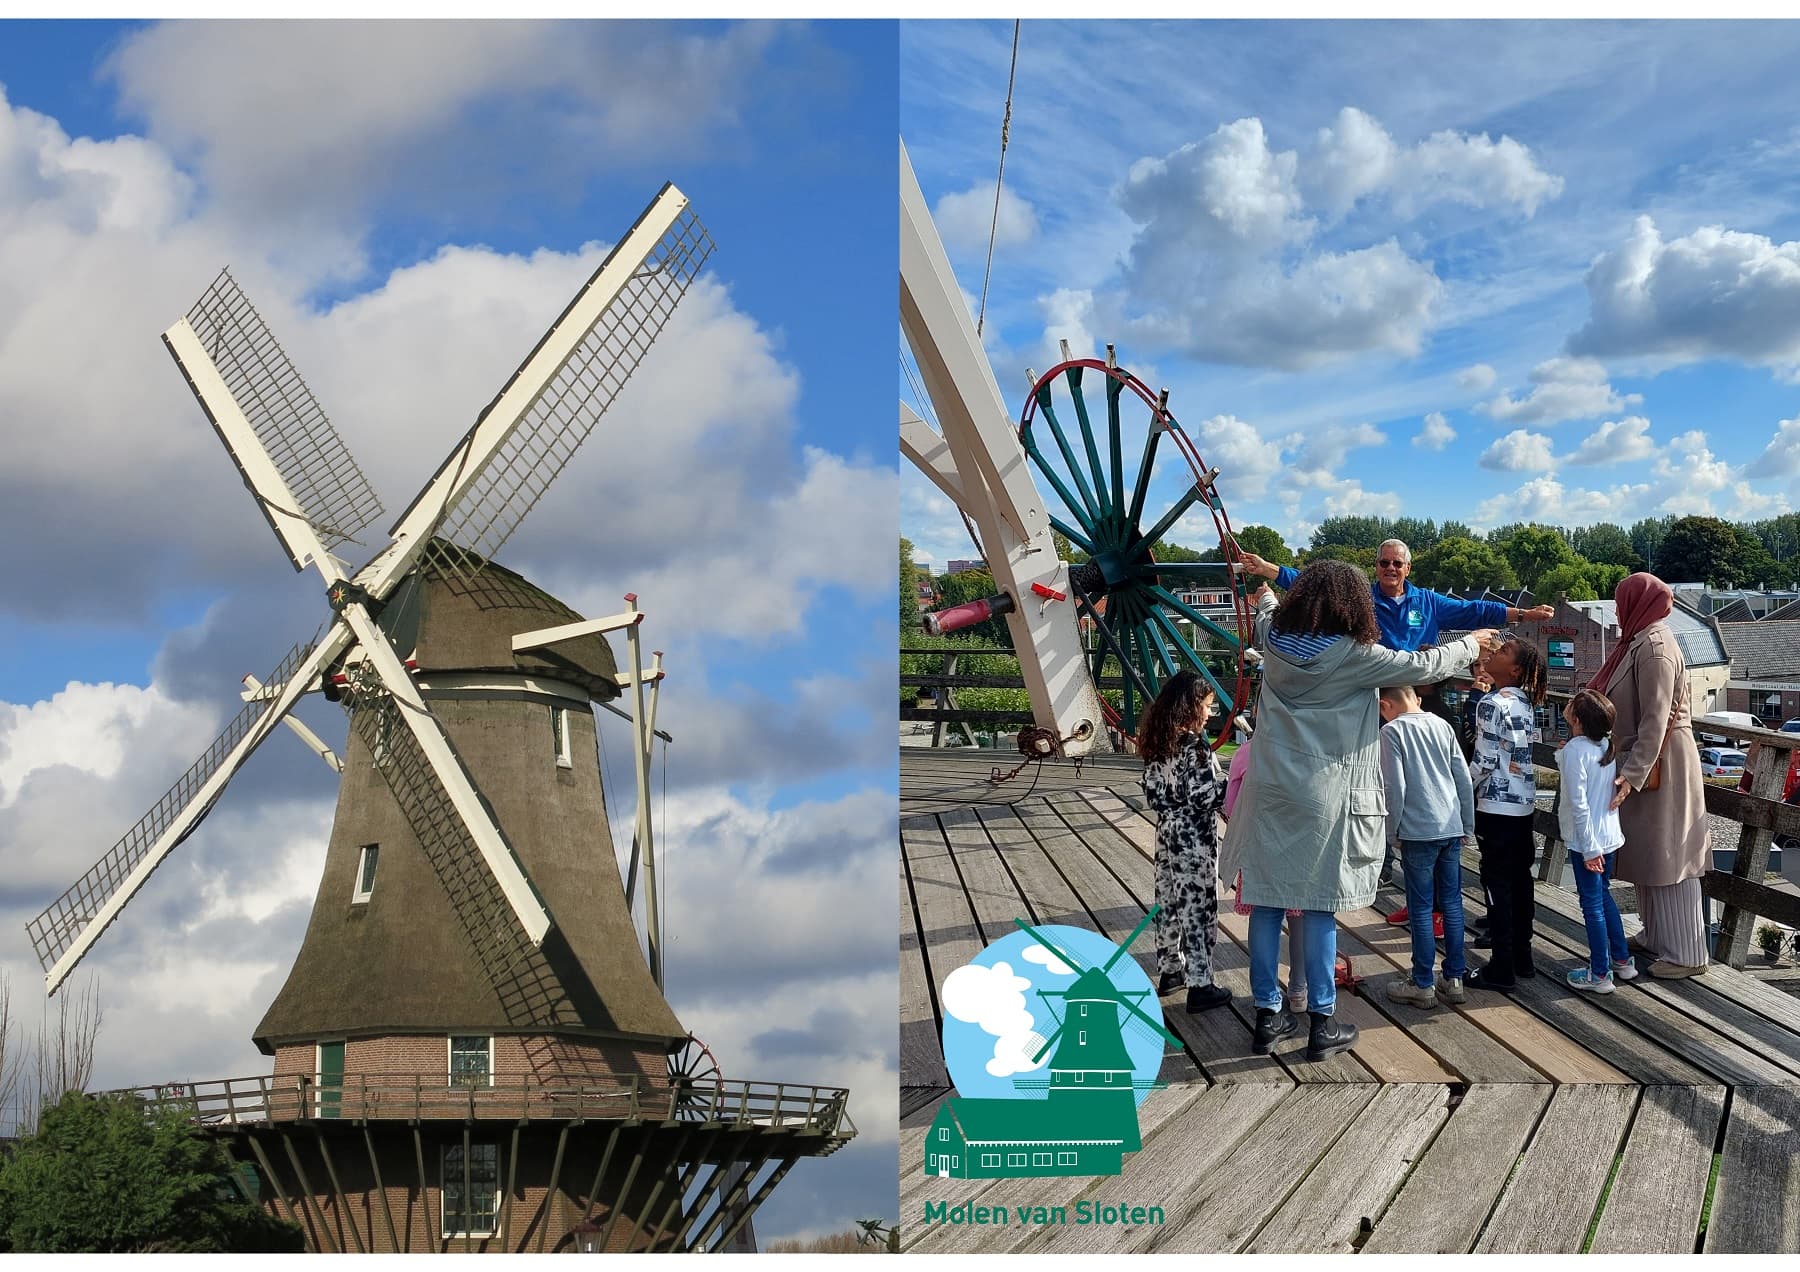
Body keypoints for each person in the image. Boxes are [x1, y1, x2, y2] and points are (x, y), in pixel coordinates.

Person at [1221, 559, 1493, 1061]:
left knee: (1264, 901)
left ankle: (1266, 1016)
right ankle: (1322, 1023)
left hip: (1269, 789)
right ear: (1353, 605)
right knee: (1320, 905)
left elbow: (1265, 615)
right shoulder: (1355, 657)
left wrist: (1265, 595)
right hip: (1326, 797)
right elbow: (1423, 667)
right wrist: (1472, 643)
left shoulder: (1273, 642)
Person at [1239, 539, 1551, 929]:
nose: (1390, 568)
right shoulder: (1359, 598)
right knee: (1373, 786)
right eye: (1384, 562)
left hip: (1415, 704)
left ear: (1408, 567)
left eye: (1396, 563)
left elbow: (1474, 611)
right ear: (1376, 566)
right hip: (1372, 703)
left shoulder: (1427, 602)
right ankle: (1380, 865)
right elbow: (1317, 587)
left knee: (1421, 793)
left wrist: (1521, 614)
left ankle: (1431, 902)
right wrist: (1272, 571)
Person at [1591, 573, 1711, 978]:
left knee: (1670, 853)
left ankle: (1688, 953)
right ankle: (1658, 936)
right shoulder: (1640, 640)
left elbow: (1657, 719)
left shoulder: (1654, 646)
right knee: (1650, 852)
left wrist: (1633, 773)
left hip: (1663, 762)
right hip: (1649, 760)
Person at [1377, 683, 1476, 1008]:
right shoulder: (1441, 724)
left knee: (1420, 908)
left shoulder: (1391, 732)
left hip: (1417, 831)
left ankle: (1422, 982)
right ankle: (1454, 977)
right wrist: (1467, 824)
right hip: (1450, 827)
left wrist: (1393, 833)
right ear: (1415, 698)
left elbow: (1395, 786)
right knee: (1451, 903)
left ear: (1385, 706)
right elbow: (1462, 776)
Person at [1139, 671, 1232, 1012]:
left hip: (1166, 831)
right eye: (1206, 707)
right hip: (1194, 835)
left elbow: (1152, 792)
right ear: (1191, 706)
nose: (1209, 714)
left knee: (1167, 901)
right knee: (1198, 907)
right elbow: (1203, 795)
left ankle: (1169, 971)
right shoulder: (1195, 746)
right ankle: (1200, 983)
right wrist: (1232, 785)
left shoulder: (1158, 741)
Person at [1465, 636, 1548, 992]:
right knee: (1520, 879)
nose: (1495, 653)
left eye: (1503, 652)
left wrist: (1461, 787)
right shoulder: (1526, 703)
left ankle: (1500, 967)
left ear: (1513, 670)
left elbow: (1483, 760)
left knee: (1495, 882)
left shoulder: (1490, 702)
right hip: (1523, 802)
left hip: (1495, 805)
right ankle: (1522, 955)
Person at [1558, 688, 1637, 993]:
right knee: (1604, 897)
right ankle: (1621, 960)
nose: (1566, 705)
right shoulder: (1604, 744)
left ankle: (1600, 974)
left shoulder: (1575, 752)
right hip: (1608, 836)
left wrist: (1589, 850)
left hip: (1586, 841)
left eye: (1569, 705)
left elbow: (1579, 804)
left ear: (1576, 719)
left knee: (1591, 905)